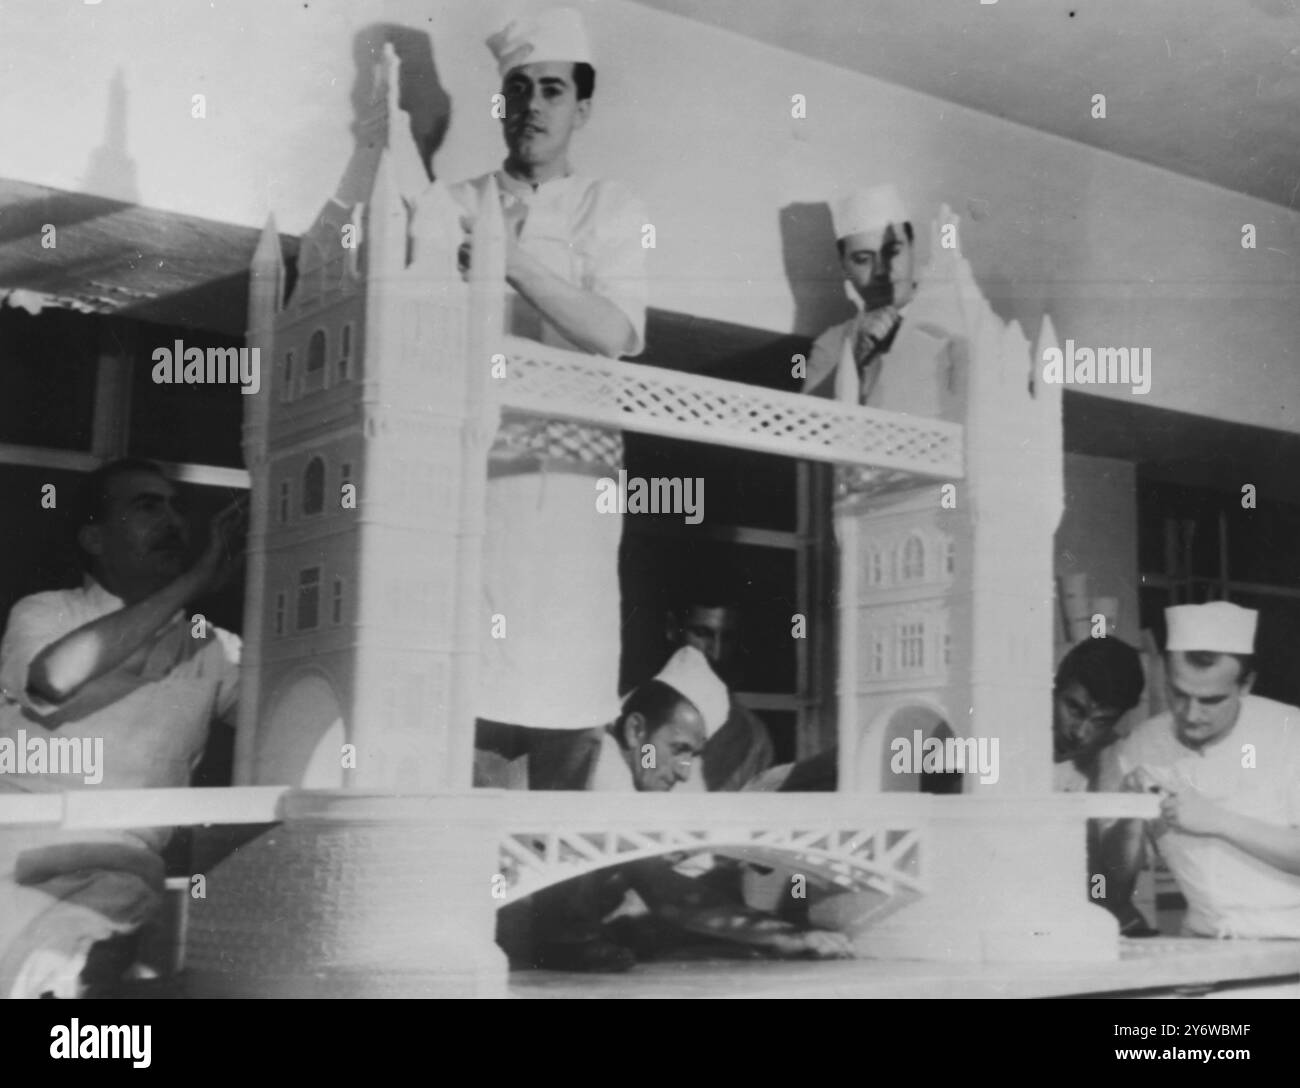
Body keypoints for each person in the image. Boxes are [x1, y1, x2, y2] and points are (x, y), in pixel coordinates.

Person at [429, 8, 648, 789]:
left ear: (581, 109)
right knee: (459, 705)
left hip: (569, 496)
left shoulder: (609, 209)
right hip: (472, 478)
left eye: (551, 89)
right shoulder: (448, 201)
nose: (530, 105)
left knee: (565, 707)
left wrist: (514, 261)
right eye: (516, 88)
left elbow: (616, 332)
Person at [0, 458, 245, 997]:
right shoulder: (47, 612)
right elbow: (53, 679)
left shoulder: (215, 649)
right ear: (94, 537)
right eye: (146, 506)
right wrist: (192, 583)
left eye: (177, 508)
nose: (172, 521)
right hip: (12, 856)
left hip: (115, 871)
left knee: (76, 980)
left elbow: (293, 714)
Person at [502, 647, 852, 971]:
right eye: (679, 748)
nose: (684, 769)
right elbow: (667, 894)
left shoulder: (629, 768)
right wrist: (788, 936)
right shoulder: (603, 766)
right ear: (636, 729)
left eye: (693, 755)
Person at [1101, 602, 1300, 939]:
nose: (1191, 714)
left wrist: (1219, 821)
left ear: (1246, 684)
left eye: (1211, 700)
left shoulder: (1290, 734)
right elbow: (1111, 890)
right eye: (1178, 694)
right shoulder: (1143, 745)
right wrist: (1129, 817)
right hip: (1206, 945)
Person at [802, 183, 917, 404]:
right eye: (863, 259)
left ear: (912, 247)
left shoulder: (953, 316)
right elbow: (803, 423)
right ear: (844, 267)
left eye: (892, 251)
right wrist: (854, 359)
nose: (882, 270)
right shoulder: (832, 344)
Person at [663, 594, 774, 791]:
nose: (716, 653)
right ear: (673, 629)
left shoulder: (751, 736)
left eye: (728, 637)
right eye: (702, 633)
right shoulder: (631, 713)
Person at [1052, 635, 1145, 793]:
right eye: (1075, 709)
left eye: (1100, 722)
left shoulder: (1117, 762)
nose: (1080, 733)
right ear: (1055, 691)